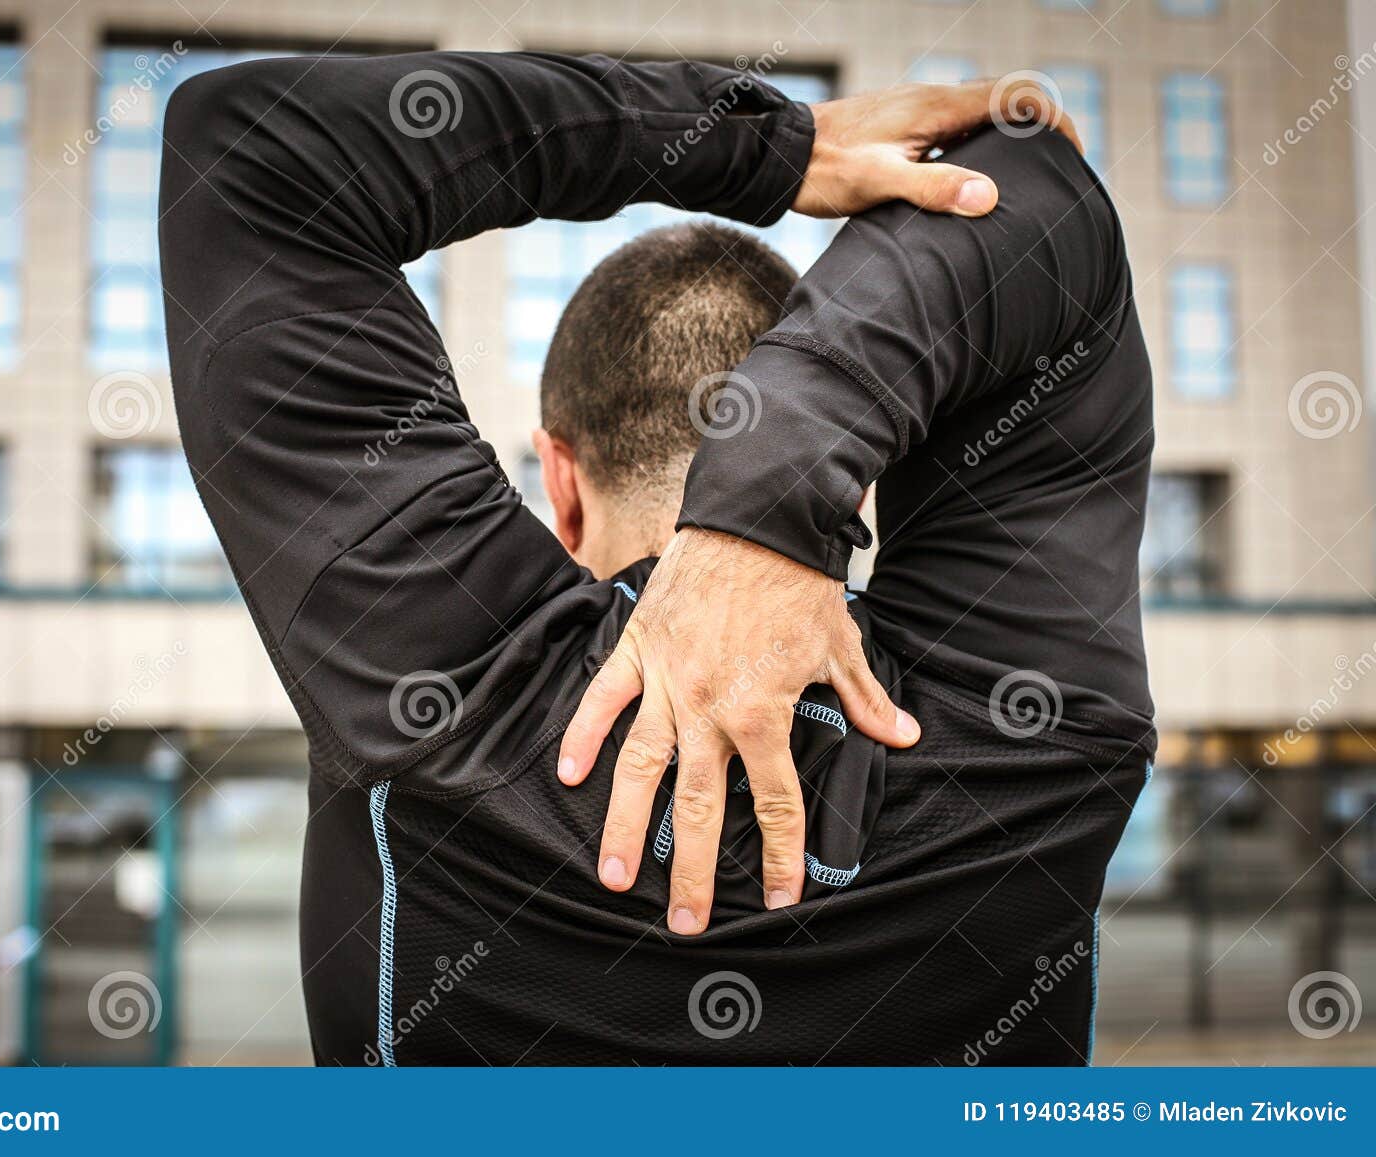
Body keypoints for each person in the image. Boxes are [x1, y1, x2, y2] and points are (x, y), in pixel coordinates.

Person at [160, 50, 1154, 1065]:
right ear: (860, 482)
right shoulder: (1029, 725)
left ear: (559, 478)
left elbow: (249, 152)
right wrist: (769, 493)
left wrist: (775, 148)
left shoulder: (440, 675)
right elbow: (1035, 185)